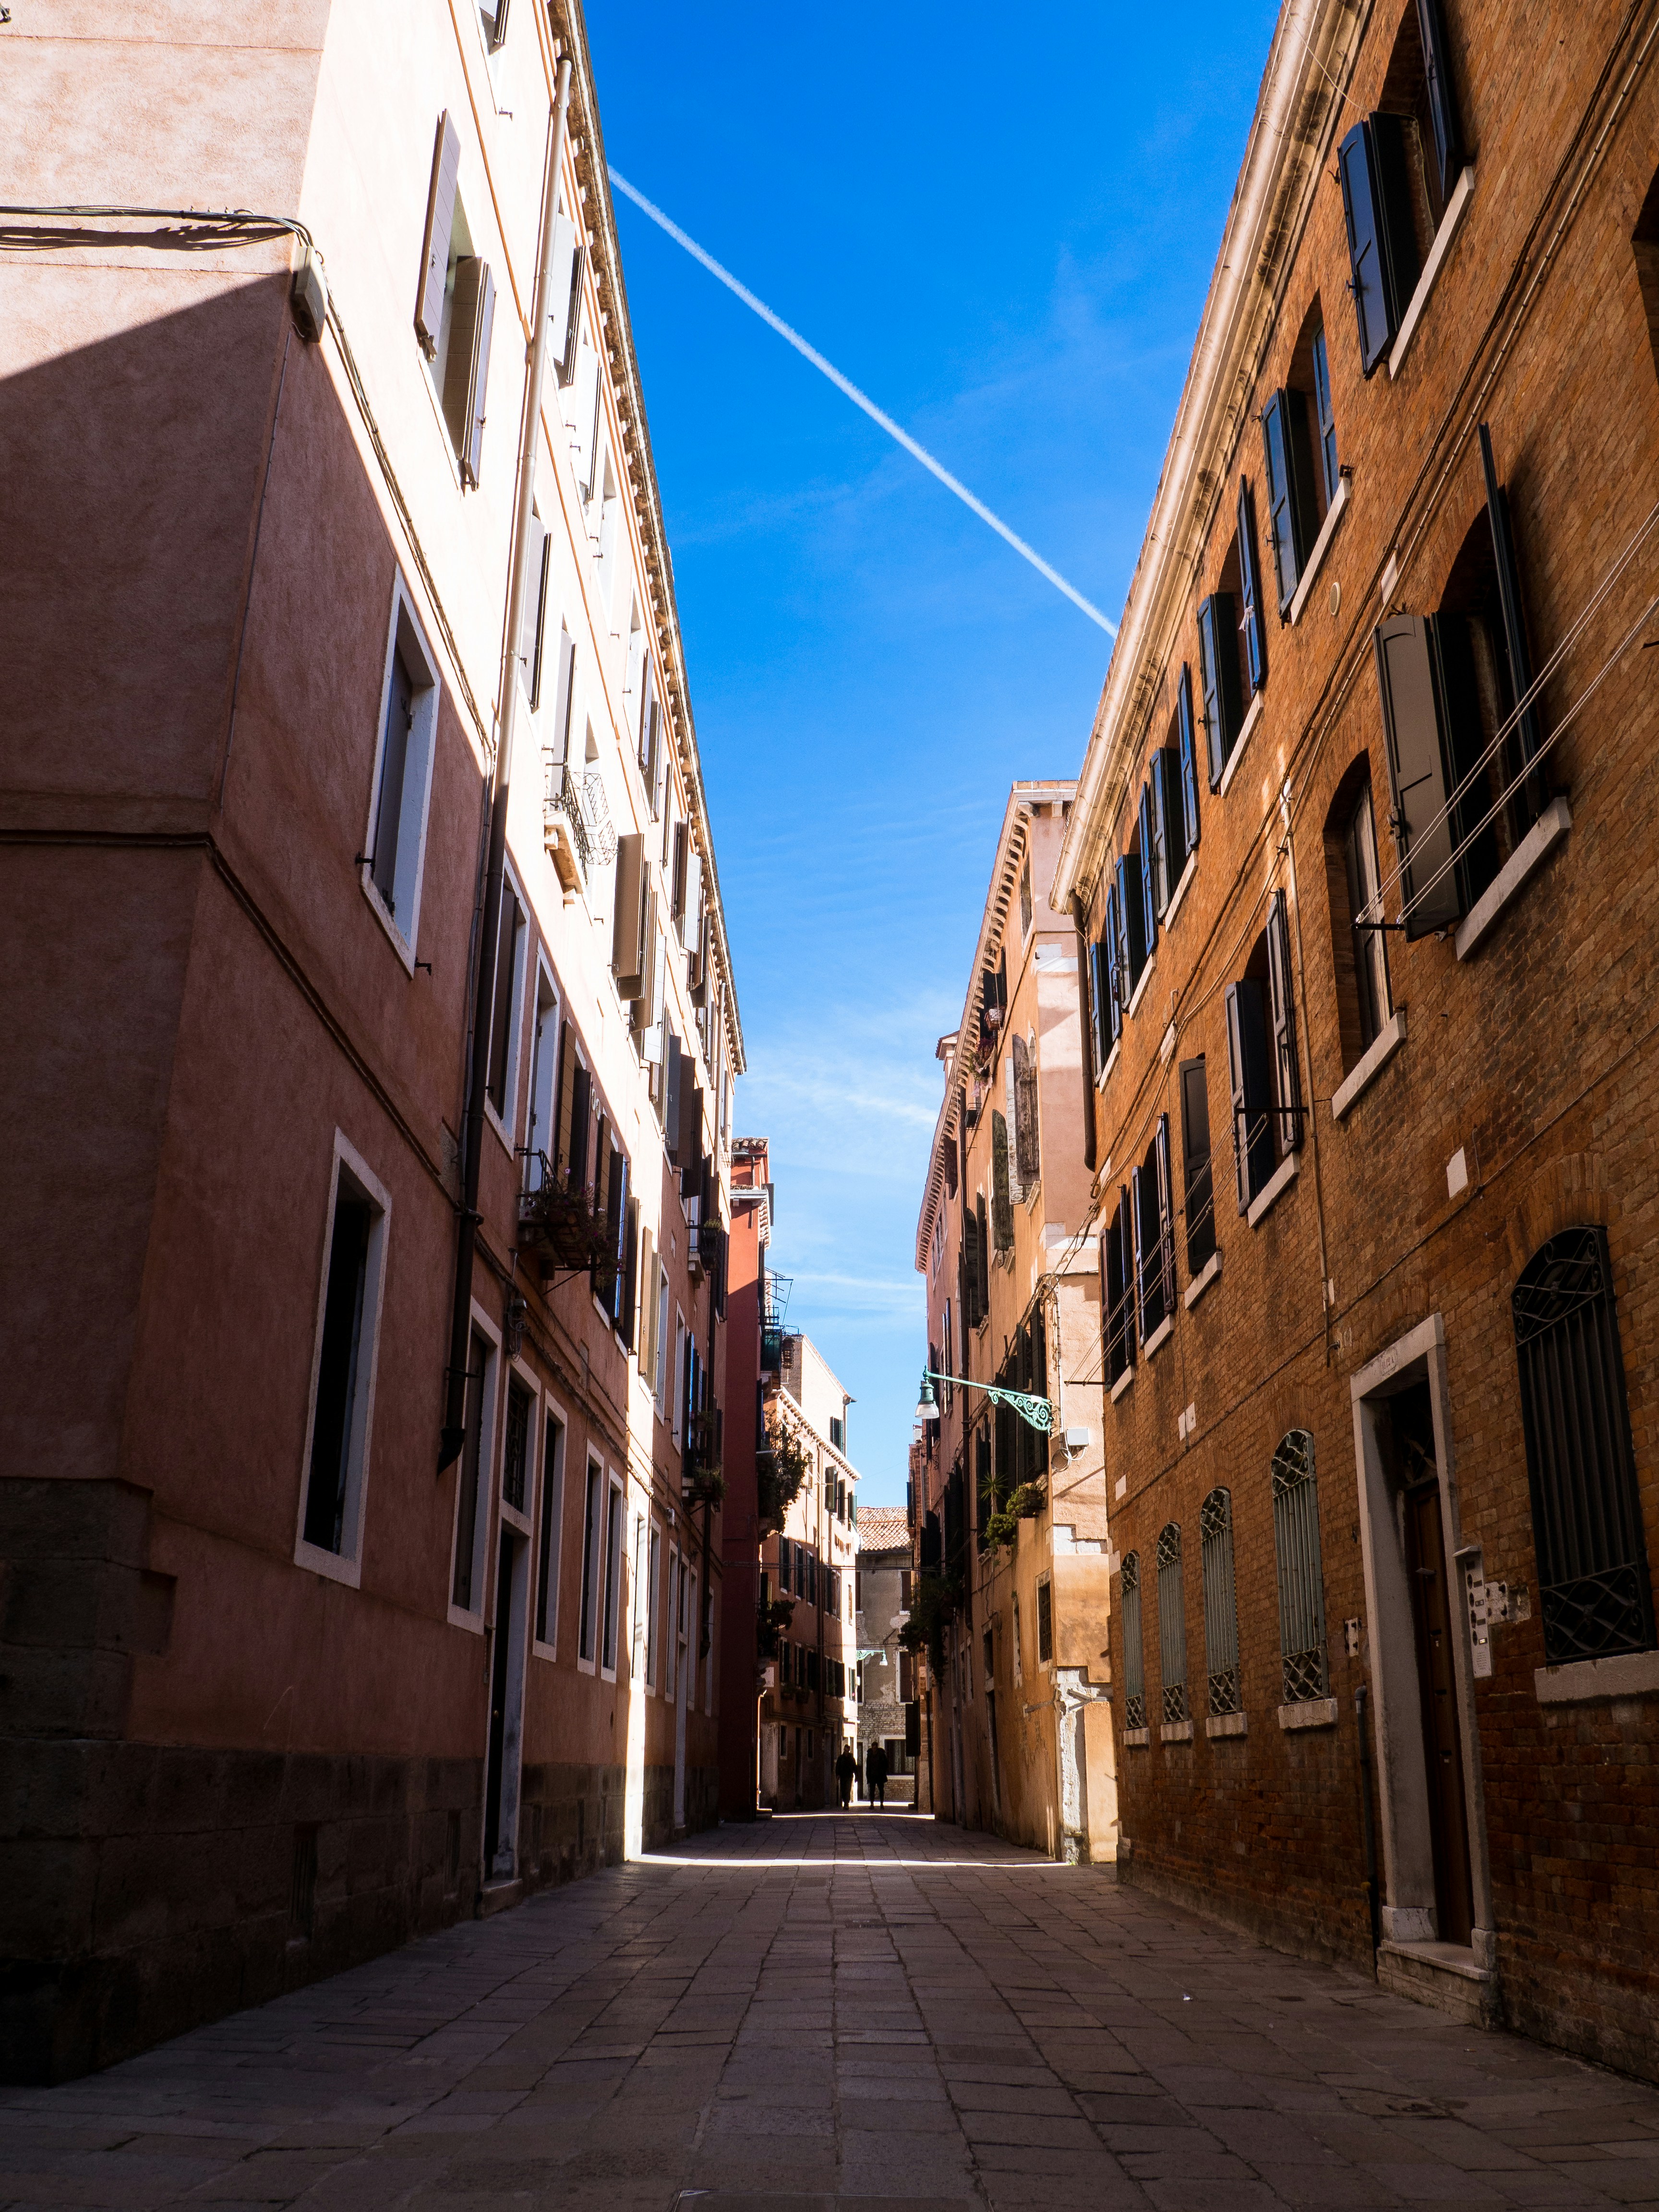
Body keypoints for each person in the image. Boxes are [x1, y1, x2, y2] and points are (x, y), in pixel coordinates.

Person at [866, 1741, 889, 1810]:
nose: (874, 1749)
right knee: (872, 1790)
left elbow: (886, 1764)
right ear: (872, 1748)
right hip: (872, 1775)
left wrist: (883, 1772)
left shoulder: (881, 1755)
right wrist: (868, 1775)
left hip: (880, 1776)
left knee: (881, 1790)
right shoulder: (870, 1756)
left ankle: (882, 1804)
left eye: (875, 1748)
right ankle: (872, 1804)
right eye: (873, 1748)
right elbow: (868, 1766)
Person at [835, 1743, 857, 1809]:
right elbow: (838, 1767)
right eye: (846, 1751)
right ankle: (845, 1802)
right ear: (844, 1750)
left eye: (848, 1751)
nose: (846, 1752)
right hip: (843, 1776)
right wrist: (838, 1775)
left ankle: (847, 1803)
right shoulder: (841, 1758)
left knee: (848, 1789)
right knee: (843, 1790)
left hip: (849, 1776)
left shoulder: (852, 1759)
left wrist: (856, 1776)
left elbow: (855, 1767)